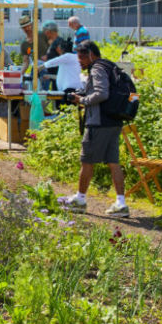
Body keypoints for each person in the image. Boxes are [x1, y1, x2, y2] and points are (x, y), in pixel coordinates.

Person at [59, 41, 130, 218]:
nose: (80, 62)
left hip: (98, 123)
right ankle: (121, 203)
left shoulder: (97, 68)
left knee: (87, 160)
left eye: (82, 57)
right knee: (113, 162)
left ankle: (80, 199)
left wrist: (81, 100)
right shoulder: (109, 65)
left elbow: (101, 93)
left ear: (91, 54)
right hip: (114, 121)